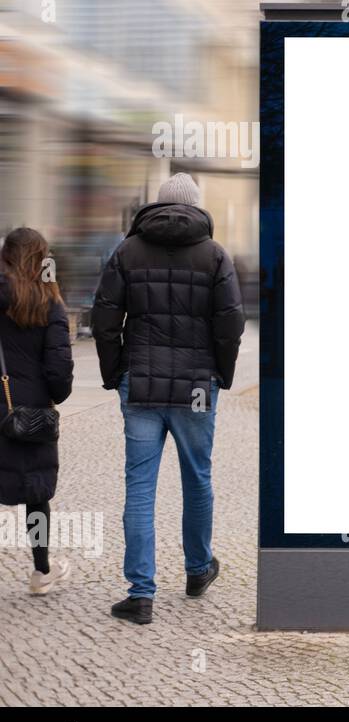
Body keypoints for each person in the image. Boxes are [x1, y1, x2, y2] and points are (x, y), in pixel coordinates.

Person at [92, 173, 245, 625]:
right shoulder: (215, 255)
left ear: (156, 206)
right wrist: (222, 375)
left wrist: (113, 372)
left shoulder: (127, 251)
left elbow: (104, 319)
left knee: (140, 486)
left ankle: (140, 594)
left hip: (139, 382)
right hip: (197, 387)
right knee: (197, 477)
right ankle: (198, 570)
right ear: (197, 207)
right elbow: (231, 325)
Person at [0, 228, 75, 595]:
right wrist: (54, 395)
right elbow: (59, 371)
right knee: (36, 494)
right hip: (30, 412)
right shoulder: (51, 303)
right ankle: (41, 571)